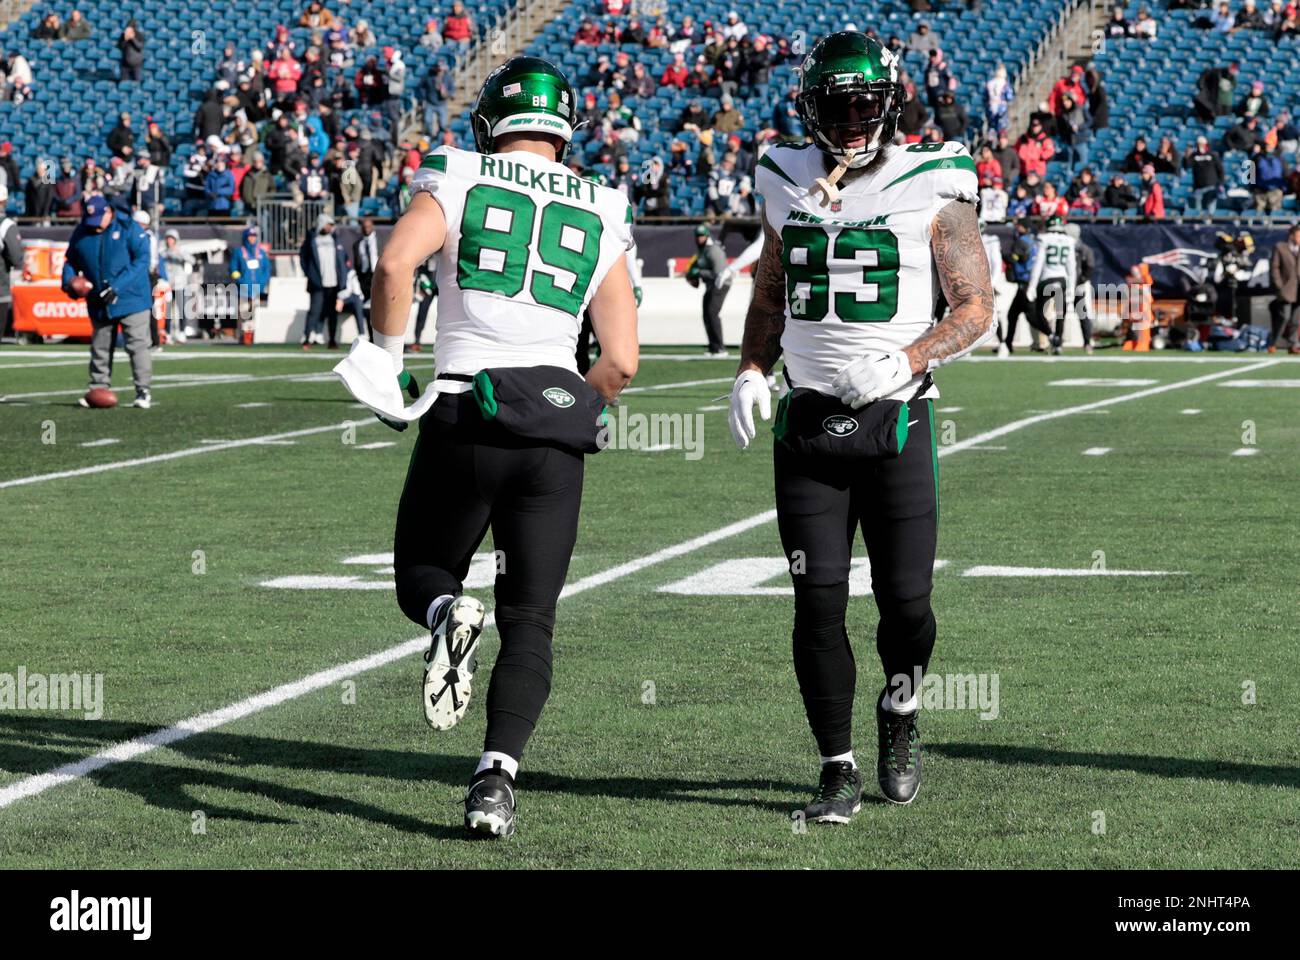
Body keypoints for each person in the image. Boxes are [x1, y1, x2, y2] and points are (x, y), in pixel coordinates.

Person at [351, 56, 637, 839]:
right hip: (552, 425)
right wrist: (574, 406)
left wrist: (383, 353)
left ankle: (447, 612)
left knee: (421, 574)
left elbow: (392, 262)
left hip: (463, 408)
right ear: (563, 127)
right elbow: (620, 361)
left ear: (492, 121)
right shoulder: (603, 203)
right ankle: (493, 784)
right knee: (531, 620)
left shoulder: (461, 169)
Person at [728, 32, 995, 818]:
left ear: (889, 104)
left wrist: (908, 359)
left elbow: (974, 304)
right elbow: (772, 291)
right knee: (817, 602)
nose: (851, 119)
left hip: (899, 418)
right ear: (810, 107)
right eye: (838, 104)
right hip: (808, 420)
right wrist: (750, 365)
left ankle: (901, 710)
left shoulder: (935, 177)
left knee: (906, 601)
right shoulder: (781, 173)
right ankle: (835, 764)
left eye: (864, 104)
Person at [62, 196, 155, 407]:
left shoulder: (128, 228)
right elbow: (70, 261)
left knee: (137, 344)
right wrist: (69, 281)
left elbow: (142, 260)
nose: (94, 226)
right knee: (100, 345)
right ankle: (98, 387)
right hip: (99, 298)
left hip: (132, 297)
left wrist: (117, 287)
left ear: (109, 212)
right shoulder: (82, 231)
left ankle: (143, 391)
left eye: (98, 219)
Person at [1027, 214, 1078, 355]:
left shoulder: (1044, 239)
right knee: (1061, 314)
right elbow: (1071, 268)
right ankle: (1058, 343)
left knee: (1039, 313)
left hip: (1046, 280)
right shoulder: (1068, 241)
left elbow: (1038, 264)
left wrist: (1032, 285)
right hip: (1062, 280)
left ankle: (1051, 335)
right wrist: (1071, 288)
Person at [299, 212, 348, 348]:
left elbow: (342, 260)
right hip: (318, 284)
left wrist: (342, 281)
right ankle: (307, 338)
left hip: (334, 284)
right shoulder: (312, 239)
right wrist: (311, 275)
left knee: (332, 314)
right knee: (314, 312)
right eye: (328, 224)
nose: (330, 227)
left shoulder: (335, 239)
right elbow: (303, 259)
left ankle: (332, 339)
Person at [686, 224, 729, 356]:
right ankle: (713, 347)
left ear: (707, 236)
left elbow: (719, 274)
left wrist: (699, 272)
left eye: (702, 236)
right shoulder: (702, 250)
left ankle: (720, 348)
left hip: (721, 284)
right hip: (710, 285)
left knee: (712, 313)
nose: (700, 238)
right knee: (706, 314)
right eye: (698, 236)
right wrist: (692, 275)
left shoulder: (714, 250)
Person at [1267, 224, 1300, 353]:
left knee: (1296, 320)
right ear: (1291, 235)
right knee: (1283, 317)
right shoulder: (1281, 247)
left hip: (1299, 290)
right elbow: (1274, 268)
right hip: (1286, 289)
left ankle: (1293, 345)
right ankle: (1273, 343)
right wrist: (1279, 285)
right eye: (1298, 235)